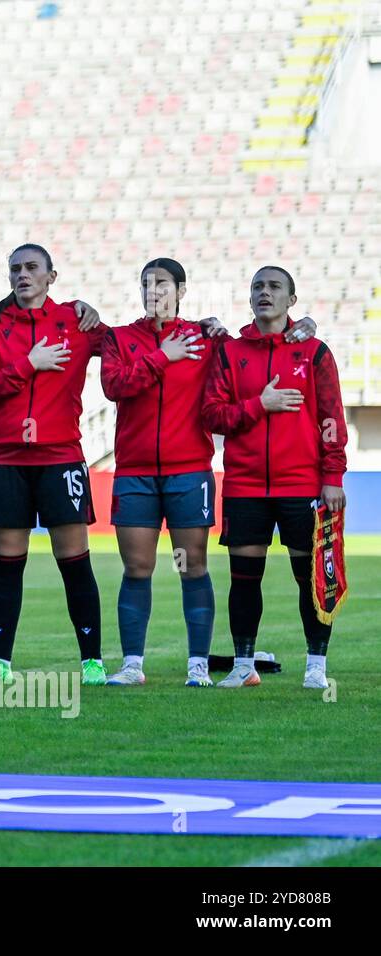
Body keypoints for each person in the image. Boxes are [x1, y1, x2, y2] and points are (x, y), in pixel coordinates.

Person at [100, 259, 317, 687]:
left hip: (188, 473)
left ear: (181, 290)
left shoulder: (207, 337)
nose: (154, 291)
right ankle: (132, 665)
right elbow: (114, 386)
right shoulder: (120, 338)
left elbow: (257, 342)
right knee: (138, 567)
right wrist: (163, 356)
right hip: (135, 472)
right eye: (146, 284)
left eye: (162, 284)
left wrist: (303, 324)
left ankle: (198, 665)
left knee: (192, 565)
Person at [0, 243, 109, 685]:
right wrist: (28, 364)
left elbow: (137, 340)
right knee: (7, 563)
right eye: (15, 269)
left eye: (31, 268)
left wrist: (208, 327)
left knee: (75, 560)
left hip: (61, 457)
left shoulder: (77, 322)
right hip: (7, 458)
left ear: (52, 275)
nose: (22, 274)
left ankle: (92, 662)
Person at [201, 266, 346, 690]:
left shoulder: (315, 352)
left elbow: (331, 420)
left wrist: (333, 475)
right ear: (249, 299)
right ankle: (244, 667)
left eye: (274, 287)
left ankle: (316, 665)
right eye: (258, 287)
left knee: (310, 577)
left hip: (303, 484)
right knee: (245, 578)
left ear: (291, 301)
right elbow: (212, 415)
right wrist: (258, 405)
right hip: (246, 485)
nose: (265, 293)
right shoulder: (230, 353)